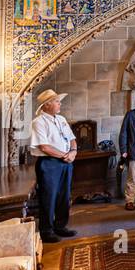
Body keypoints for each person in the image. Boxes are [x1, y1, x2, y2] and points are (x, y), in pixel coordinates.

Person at [29, 88, 78, 243]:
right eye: (57, 101)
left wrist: (73, 151)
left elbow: (71, 138)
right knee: (48, 197)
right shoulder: (38, 122)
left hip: (66, 161)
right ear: (46, 105)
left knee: (64, 195)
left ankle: (60, 226)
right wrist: (65, 155)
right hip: (49, 163)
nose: (60, 104)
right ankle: (46, 230)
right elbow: (44, 147)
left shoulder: (61, 119)